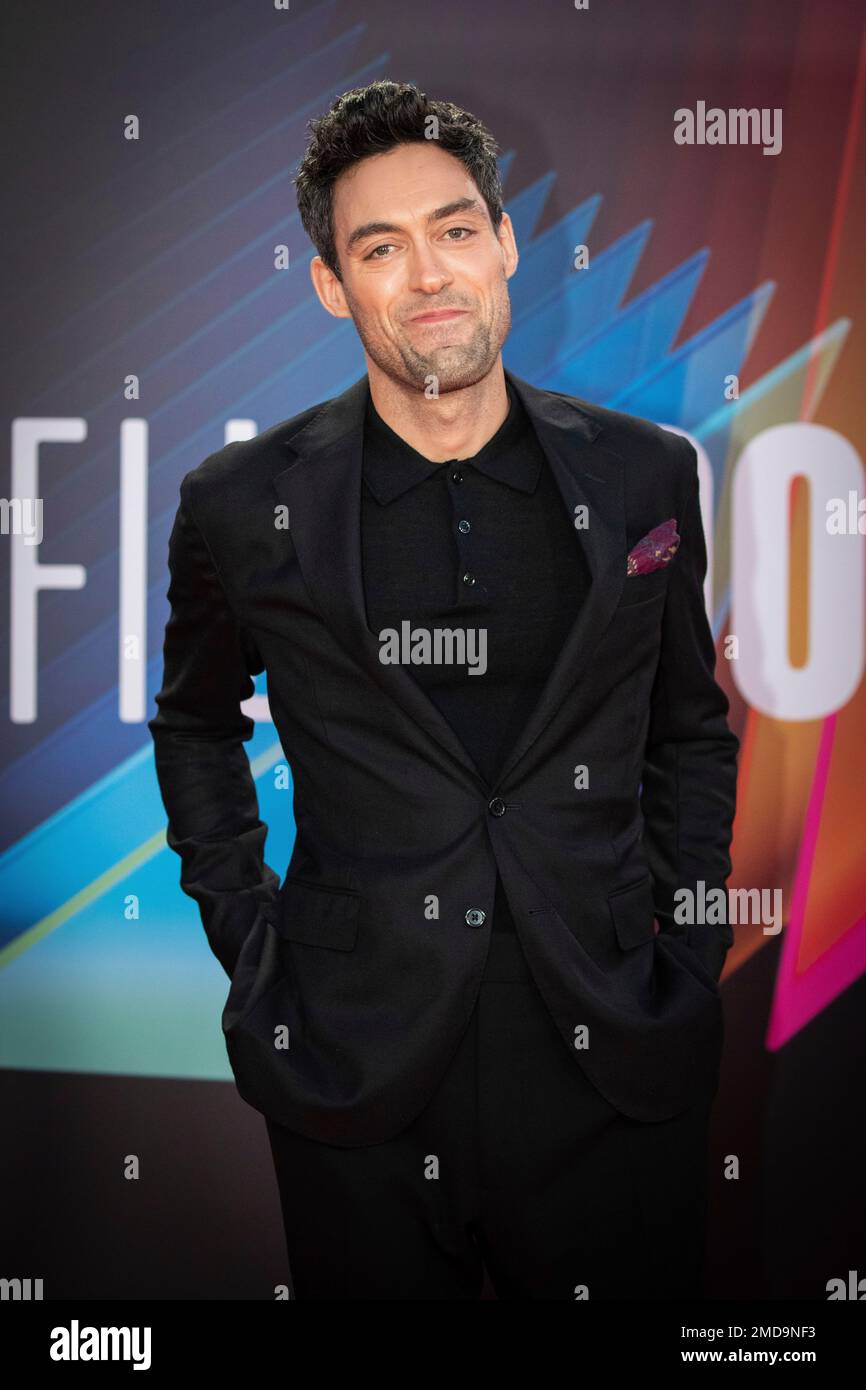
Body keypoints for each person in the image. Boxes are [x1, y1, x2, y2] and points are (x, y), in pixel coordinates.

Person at [149, 79, 739, 1300]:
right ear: (330, 283)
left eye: (456, 228)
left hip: (611, 1050)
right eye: (380, 247)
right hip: (351, 1058)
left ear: (506, 244)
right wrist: (253, 948)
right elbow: (196, 724)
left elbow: (687, 727)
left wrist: (681, 947)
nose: (428, 274)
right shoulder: (239, 502)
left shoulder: (641, 478)